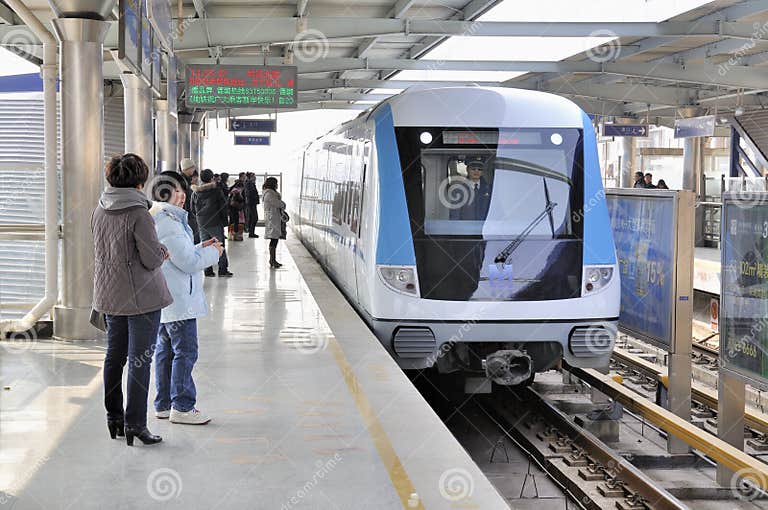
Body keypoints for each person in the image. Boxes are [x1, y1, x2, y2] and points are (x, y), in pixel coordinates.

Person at [92, 153, 171, 447]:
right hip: (141, 299)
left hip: (110, 295)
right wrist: (162, 250)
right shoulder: (139, 213)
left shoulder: (100, 209)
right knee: (140, 361)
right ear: (140, 181)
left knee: (115, 357)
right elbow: (151, 259)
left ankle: (114, 418)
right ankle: (136, 425)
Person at [149, 172, 223, 425]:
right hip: (179, 301)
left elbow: (179, 255)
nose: (183, 196)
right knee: (185, 352)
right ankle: (182, 406)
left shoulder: (164, 219)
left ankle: (164, 404)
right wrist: (214, 254)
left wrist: (200, 248)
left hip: (168, 299)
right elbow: (188, 264)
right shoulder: (169, 223)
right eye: (177, 191)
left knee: (166, 352)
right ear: (164, 194)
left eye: (183, 190)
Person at [195, 168, 234, 277]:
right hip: (215, 222)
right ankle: (222, 270)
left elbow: (192, 208)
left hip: (201, 222)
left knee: (205, 245)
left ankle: (207, 270)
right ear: (212, 178)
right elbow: (223, 207)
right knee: (219, 245)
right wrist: (225, 221)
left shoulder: (196, 191)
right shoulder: (216, 191)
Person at [263, 177, 287, 268]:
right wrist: (283, 204)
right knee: (274, 239)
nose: (277, 185)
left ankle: (273, 260)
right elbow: (277, 203)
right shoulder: (269, 193)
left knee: (275, 239)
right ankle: (272, 260)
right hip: (273, 219)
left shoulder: (269, 193)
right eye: (276, 183)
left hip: (274, 218)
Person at [178, 158, 200, 242]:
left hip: (188, 213)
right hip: (186, 214)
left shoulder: (186, 180)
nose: (194, 170)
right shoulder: (182, 181)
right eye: (192, 167)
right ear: (187, 169)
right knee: (194, 237)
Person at [245, 172, 260, 238]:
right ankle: (251, 232)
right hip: (251, 203)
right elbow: (250, 194)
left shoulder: (250, 183)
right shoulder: (250, 183)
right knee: (254, 218)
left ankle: (251, 232)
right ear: (251, 177)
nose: (255, 177)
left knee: (252, 218)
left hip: (251, 203)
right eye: (254, 176)